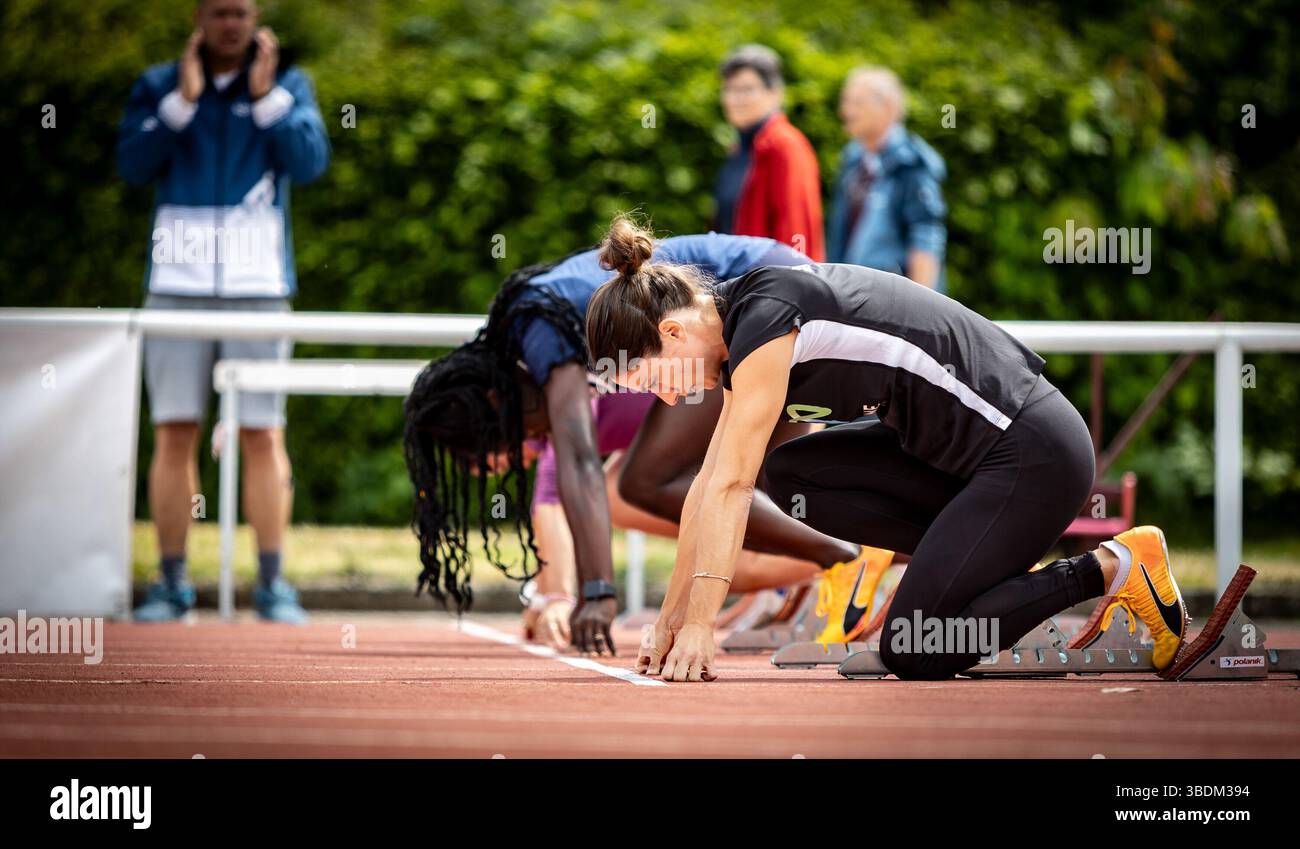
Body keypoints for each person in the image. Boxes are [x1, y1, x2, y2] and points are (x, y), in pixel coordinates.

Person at [584, 256, 1189, 682]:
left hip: (1032, 451)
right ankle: (980, 560)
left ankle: (1114, 566)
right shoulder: (743, 330)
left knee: (915, 648)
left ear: (673, 331)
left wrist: (701, 627)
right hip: (961, 469)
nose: (664, 398)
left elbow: (731, 488)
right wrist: (670, 621)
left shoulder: (766, 318)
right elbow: (707, 489)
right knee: (794, 473)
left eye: (652, 378)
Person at [403, 222, 895, 655]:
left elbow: (577, 464)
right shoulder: (531, 350)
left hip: (761, 301)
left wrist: (596, 593)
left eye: (497, 446)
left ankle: (846, 557)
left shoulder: (535, 328)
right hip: (766, 292)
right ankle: (866, 555)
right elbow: (558, 485)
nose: (525, 447)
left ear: (494, 406)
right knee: (770, 481)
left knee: (647, 480)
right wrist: (559, 593)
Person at [116, 0, 330, 623]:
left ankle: (272, 583)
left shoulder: (289, 82)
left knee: (264, 432)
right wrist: (179, 106)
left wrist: (266, 100)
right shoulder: (159, 84)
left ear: (255, 15)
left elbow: (310, 163)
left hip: (258, 283)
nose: (230, 24)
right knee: (174, 430)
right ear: (198, 17)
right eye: (218, 12)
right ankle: (171, 583)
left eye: (239, 12)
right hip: (175, 284)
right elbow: (132, 165)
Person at [827, 67, 947, 291]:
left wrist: (920, 308)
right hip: (854, 296)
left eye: (857, 103)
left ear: (889, 107)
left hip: (894, 302)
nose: (846, 111)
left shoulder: (912, 163)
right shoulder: (852, 159)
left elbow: (926, 237)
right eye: (845, 102)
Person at [713, 45, 825, 261]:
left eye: (746, 89)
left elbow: (797, 230)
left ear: (774, 94)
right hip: (739, 284)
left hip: (768, 285)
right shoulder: (741, 148)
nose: (735, 98)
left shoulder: (785, 146)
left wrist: (794, 287)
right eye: (728, 89)